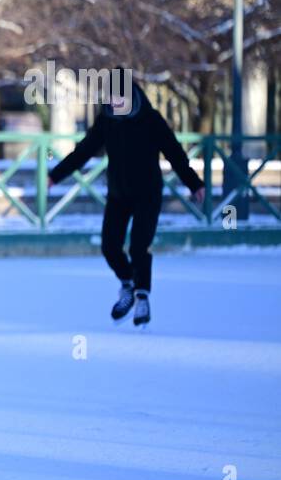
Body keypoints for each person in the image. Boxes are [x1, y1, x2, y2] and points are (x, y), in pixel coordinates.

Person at [48, 75, 205, 328]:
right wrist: (56, 175)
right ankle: (128, 285)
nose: (114, 103)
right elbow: (84, 151)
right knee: (109, 247)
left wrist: (194, 183)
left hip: (148, 194)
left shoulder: (150, 120)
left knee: (138, 247)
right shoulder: (107, 122)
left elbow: (175, 154)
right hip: (119, 195)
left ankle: (142, 297)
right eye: (110, 98)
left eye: (119, 97)